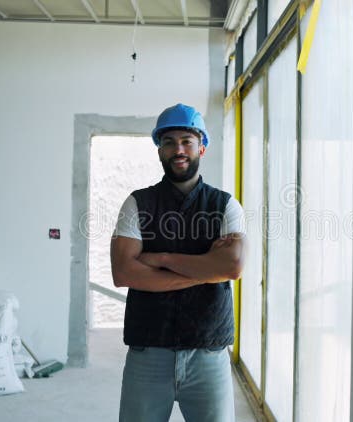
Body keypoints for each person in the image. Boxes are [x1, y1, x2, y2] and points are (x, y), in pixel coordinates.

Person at [110, 103, 246, 422]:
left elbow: (233, 267)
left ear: (202, 147)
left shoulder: (226, 205)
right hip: (148, 351)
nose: (178, 150)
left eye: (187, 141)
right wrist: (208, 269)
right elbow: (124, 272)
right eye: (169, 142)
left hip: (208, 352)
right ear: (160, 150)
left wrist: (161, 259)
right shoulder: (137, 203)